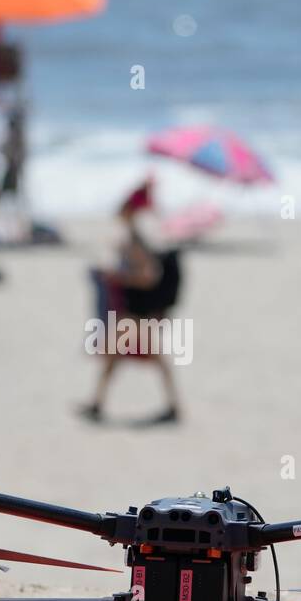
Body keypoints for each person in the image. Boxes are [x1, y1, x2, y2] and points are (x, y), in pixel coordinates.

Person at [80, 177, 180, 426]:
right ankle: (98, 403)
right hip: (139, 310)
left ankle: (98, 404)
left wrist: (118, 278)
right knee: (125, 356)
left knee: (128, 356)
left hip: (139, 310)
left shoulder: (139, 239)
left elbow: (148, 275)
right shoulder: (142, 236)